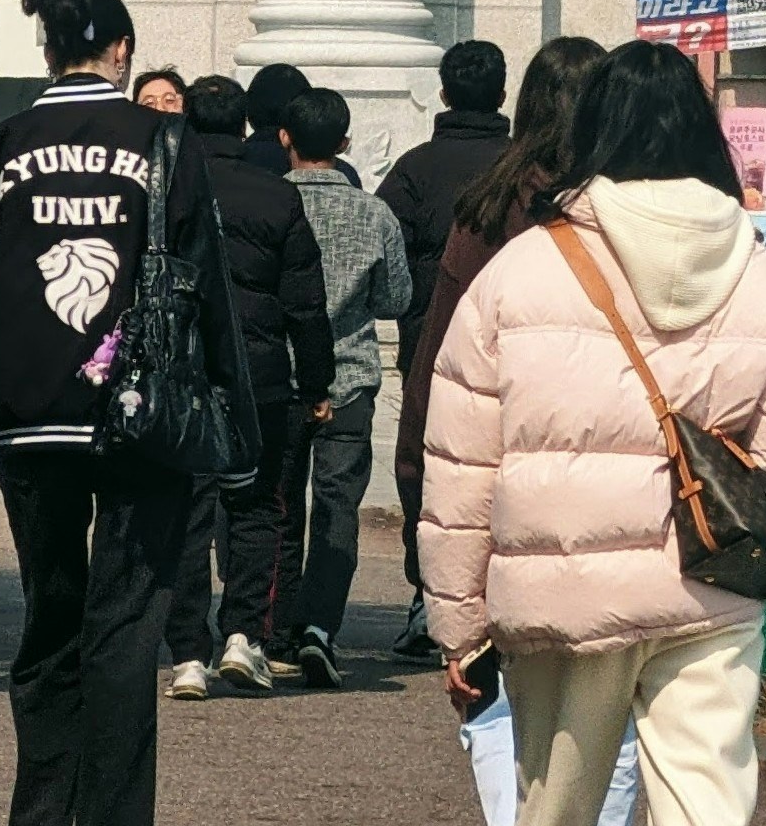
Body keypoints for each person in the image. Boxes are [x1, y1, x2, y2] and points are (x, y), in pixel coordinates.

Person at [423, 40, 766, 826]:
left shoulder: (530, 264)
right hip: (709, 592)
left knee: (551, 820)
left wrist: (458, 621)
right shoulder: (759, 269)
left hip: (563, 602)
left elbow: (459, 458)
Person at [0, 0, 253, 826]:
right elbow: (205, 293)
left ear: (50, 52)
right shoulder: (163, 144)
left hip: (26, 422)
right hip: (137, 419)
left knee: (49, 623)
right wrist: (236, 444)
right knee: (123, 637)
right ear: (118, 54)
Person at [396, 33, 638, 826]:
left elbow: (436, 370)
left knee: (489, 684)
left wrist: (425, 490)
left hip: (499, 489)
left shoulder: (485, 215)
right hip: (615, 495)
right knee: (606, 709)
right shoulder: (634, 221)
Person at [167, 73, 335, 700]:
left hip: (183, 371)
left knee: (186, 510)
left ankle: (187, 652)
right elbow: (304, 304)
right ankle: (245, 636)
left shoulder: (165, 193)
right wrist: (315, 381)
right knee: (259, 506)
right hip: (259, 373)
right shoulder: (276, 195)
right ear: (246, 127)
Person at [274, 87, 412, 685]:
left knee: (277, 505)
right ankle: (319, 627)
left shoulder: (269, 203)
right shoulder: (373, 212)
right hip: (351, 377)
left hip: (279, 377)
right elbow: (396, 298)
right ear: (346, 143)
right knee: (337, 506)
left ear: (285, 138)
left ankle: (271, 625)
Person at [379, 35, 511, 657]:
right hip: (519, 350)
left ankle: (426, 598)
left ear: (443, 93)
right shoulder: (526, 171)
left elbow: (389, 259)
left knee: (431, 472)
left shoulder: (413, 168)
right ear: (503, 93)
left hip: (431, 346)